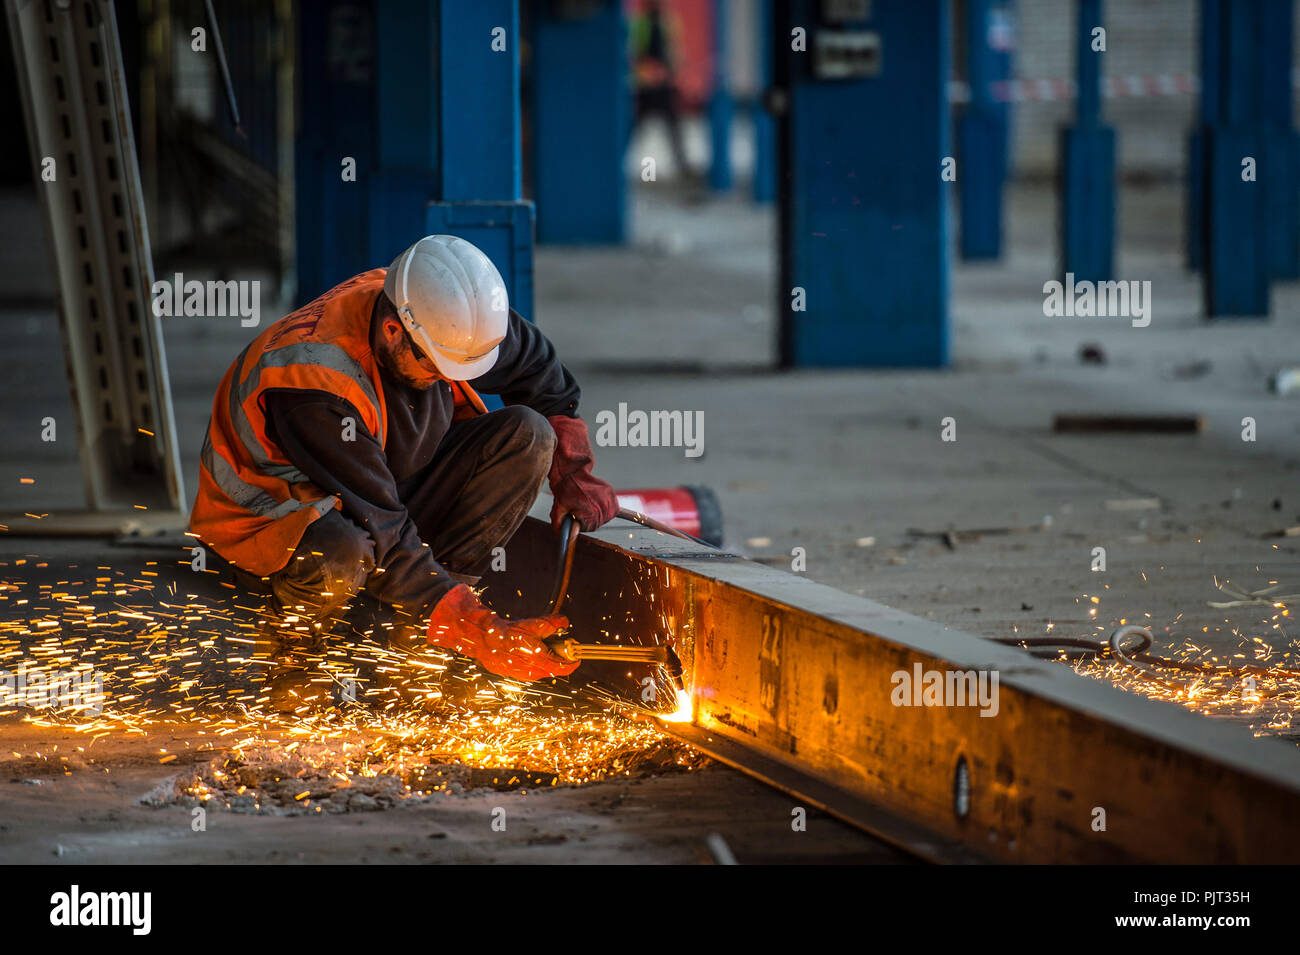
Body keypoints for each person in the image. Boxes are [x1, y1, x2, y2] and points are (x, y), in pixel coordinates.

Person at [190, 235, 619, 705]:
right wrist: (480, 630)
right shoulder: (314, 383)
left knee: (528, 435)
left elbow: (537, 369)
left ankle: (414, 644)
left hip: (379, 482)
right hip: (279, 516)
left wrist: (573, 469)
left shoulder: (444, 313)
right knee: (342, 553)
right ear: (393, 331)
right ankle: (297, 655)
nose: (447, 380)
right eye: (436, 368)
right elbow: (383, 524)